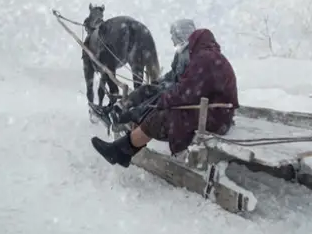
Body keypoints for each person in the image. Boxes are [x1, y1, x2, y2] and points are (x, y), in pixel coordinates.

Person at [91, 27, 239, 168]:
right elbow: (193, 89)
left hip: (214, 117)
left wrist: (164, 100)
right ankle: (122, 151)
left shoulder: (204, 59)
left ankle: (119, 151)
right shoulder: (213, 57)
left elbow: (185, 92)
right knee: (160, 110)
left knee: (161, 118)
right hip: (220, 115)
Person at [107, 18, 197, 125]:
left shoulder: (189, 55)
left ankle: (129, 114)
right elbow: (173, 73)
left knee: (153, 95)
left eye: (173, 34)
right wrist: (160, 80)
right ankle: (120, 108)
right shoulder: (181, 52)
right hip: (173, 88)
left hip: (177, 93)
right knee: (147, 89)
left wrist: (164, 86)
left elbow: (184, 81)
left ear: (181, 34)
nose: (172, 38)